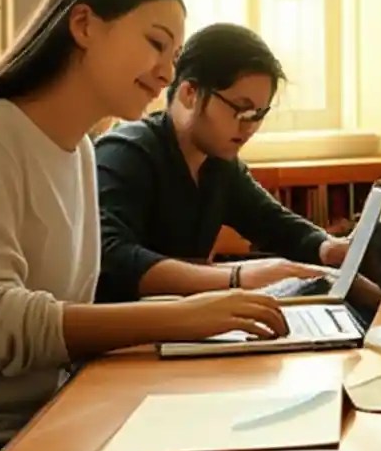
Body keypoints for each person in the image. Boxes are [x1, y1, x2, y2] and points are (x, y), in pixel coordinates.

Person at [0, 0, 288, 451]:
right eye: (155, 43)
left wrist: (202, 316)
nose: (167, 73)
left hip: (51, 414)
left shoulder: (80, 152)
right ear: (84, 25)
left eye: (174, 55)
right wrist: (179, 318)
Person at [94, 23, 348, 303]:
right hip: (122, 325)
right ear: (189, 94)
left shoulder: (219, 164)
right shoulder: (125, 152)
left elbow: (272, 222)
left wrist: (327, 248)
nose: (249, 127)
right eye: (241, 109)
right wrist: (236, 278)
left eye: (258, 114)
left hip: (184, 321)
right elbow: (111, 259)